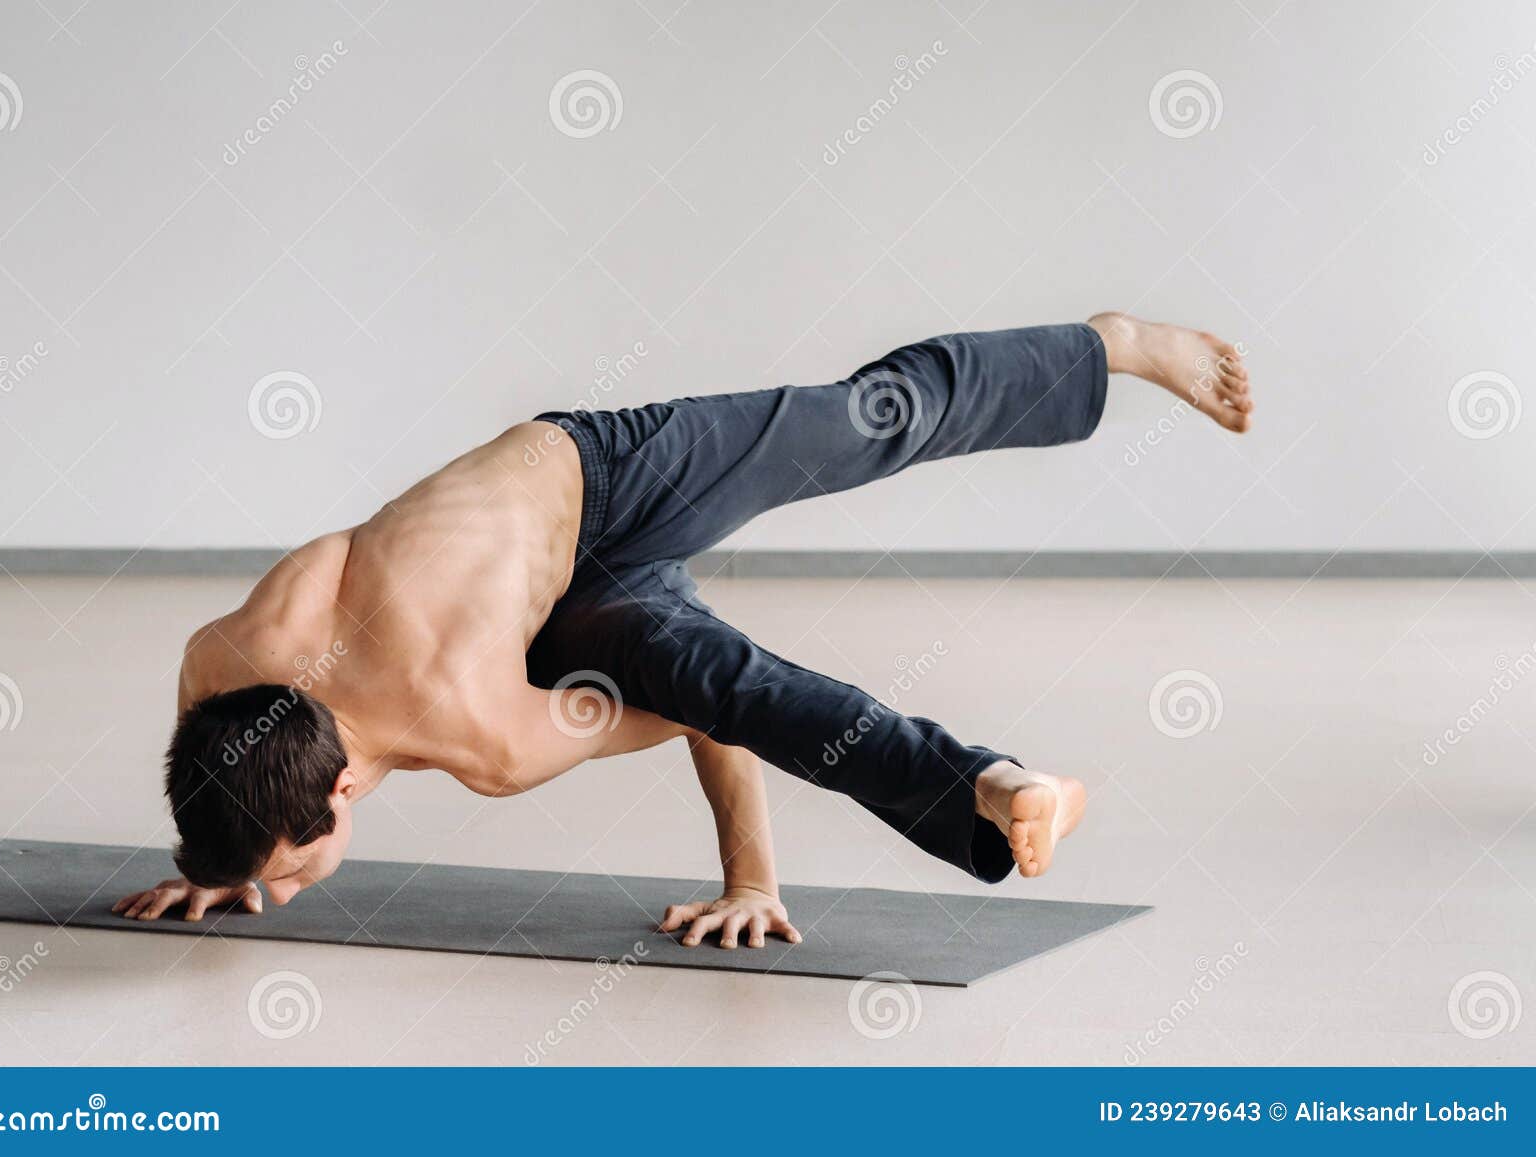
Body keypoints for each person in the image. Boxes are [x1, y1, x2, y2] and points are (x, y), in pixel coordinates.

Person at [113, 312, 1252, 949]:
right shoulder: (226, 662)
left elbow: (705, 708)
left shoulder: (481, 734)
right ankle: (997, 783)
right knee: (719, 671)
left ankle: (1109, 343)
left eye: (298, 862)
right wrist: (228, 850)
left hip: (608, 474)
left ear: (343, 794)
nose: (294, 887)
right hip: (539, 618)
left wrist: (748, 874)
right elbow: (214, 737)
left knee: (864, 422)